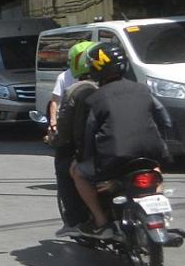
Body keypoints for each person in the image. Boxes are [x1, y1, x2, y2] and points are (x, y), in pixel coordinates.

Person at [70, 42, 172, 238]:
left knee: (78, 173)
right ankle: (159, 213)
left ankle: (101, 222)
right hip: (149, 154)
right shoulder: (143, 89)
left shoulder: (95, 98)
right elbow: (165, 119)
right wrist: (163, 146)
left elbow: (88, 133)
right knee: (155, 171)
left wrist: (84, 158)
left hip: (114, 160)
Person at [49, 41, 97, 237]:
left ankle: (74, 220)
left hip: (87, 147)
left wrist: (56, 138)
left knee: (64, 168)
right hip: (130, 147)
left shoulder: (75, 91)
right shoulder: (121, 83)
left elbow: (65, 125)